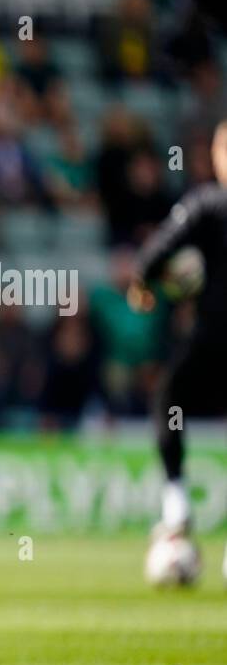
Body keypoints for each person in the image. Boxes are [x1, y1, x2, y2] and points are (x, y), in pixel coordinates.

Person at [129, 120, 227, 583]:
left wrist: (146, 285)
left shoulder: (208, 203)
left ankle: (176, 506)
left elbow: (153, 255)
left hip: (214, 340)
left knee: (170, 399)